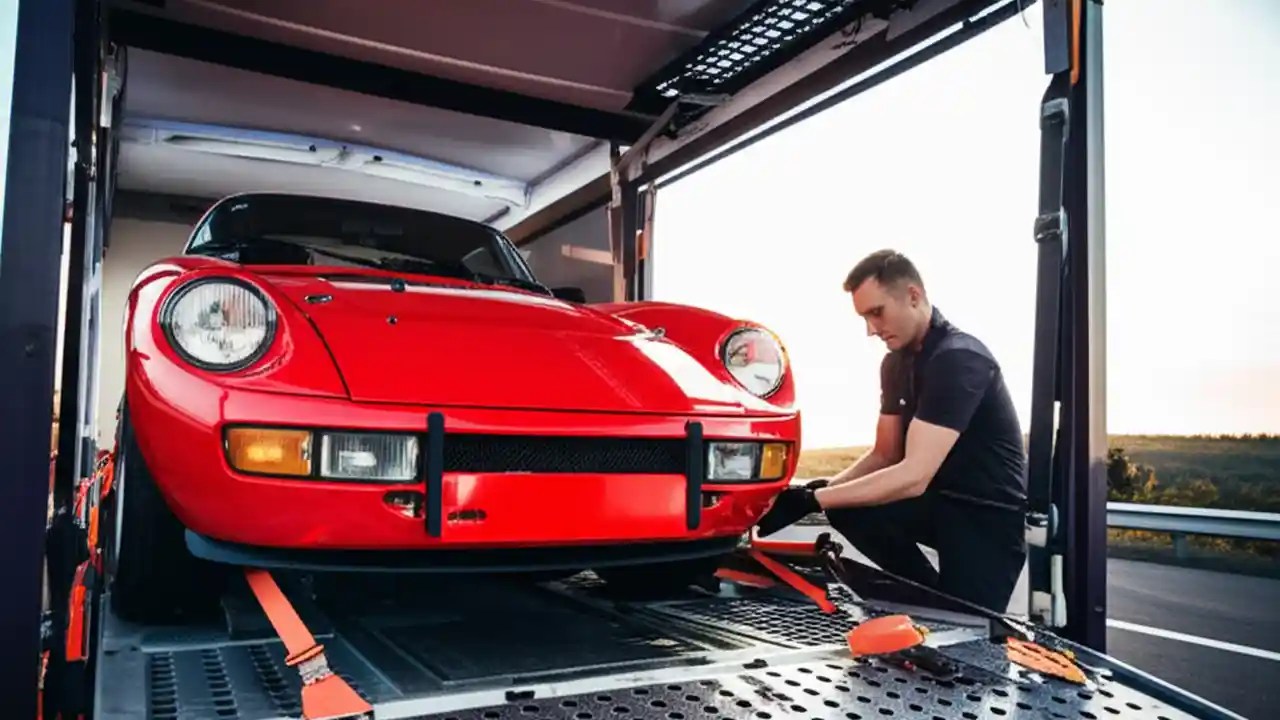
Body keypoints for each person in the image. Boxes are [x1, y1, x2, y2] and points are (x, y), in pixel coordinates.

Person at [756, 249, 1028, 613]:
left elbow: (913, 475)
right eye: (864, 317)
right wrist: (817, 490)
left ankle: (947, 609)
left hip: (984, 519)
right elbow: (885, 454)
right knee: (849, 507)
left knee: (971, 633)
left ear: (913, 296)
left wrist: (812, 501)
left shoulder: (959, 358)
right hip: (938, 504)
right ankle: (925, 600)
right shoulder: (895, 363)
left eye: (876, 312)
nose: (871, 329)